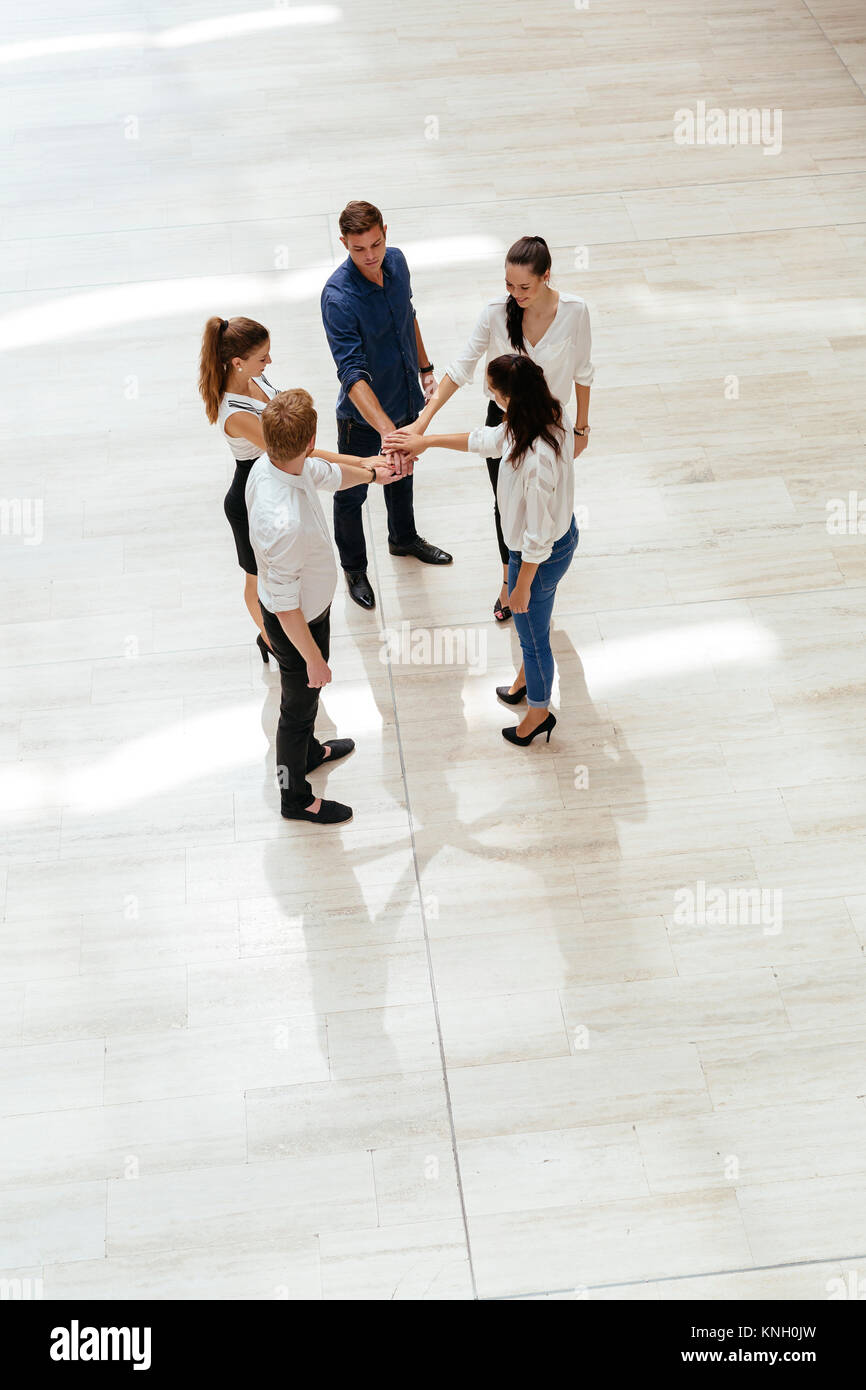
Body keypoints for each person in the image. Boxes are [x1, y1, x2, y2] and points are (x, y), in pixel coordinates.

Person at [387, 355, 578, 746]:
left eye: (492, 390)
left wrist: (519, 583)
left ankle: (539, 712)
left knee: (533, 636)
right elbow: (486, 440)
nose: (489, 395)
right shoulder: (540, 416)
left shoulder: (536, 458)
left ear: (509, 398)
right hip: (539, 546)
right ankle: (527, 680)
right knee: (534, 627)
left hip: (538, 554)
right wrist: (427, 440)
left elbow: (538, 537)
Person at [404, 235, 592, 624]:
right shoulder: (494, 313)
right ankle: (511, 579)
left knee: (545, 497)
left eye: (524, 286)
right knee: (505, 501)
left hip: (551, 423)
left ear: (546, 277)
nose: (515, 294)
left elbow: (583, 371)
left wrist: (583, 429)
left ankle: (539, 572)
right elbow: (460, 369)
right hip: (503, 420)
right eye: (509, 285)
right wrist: (424, 422)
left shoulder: (575, 312)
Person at [247, 388, 397, 824]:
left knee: (306, 707)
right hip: (298, 627)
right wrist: (313, 659)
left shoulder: (273, 463)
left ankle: (310, 752)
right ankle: (294, 797)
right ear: (311, 439)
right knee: (296, 710)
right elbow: (283, 607)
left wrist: (373, 475)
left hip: (313, 610)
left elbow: (327, 475)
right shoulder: (284, 524)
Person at [320, 199, 452, 610]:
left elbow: (407, 316)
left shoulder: (397, 263)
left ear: (386, 232)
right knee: (351, 492)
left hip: (405, 399)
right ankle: (354, 568)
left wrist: (426, 368)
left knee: (402, 473)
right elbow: (352, 374)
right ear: (343, 243)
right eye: (358, 249)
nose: (371, 256)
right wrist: (385, 432)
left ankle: (403, 538)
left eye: (375, 244)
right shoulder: (338, 298)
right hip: (362, 421)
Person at [198, 314, 278, 661]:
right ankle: (272, 641)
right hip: (249, 498)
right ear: (237, 362)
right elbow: (288, 446)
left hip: (271, 487)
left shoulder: (254, 378)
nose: (269, 362)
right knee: (256, 577)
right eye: (263, 358)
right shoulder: (234, 411)